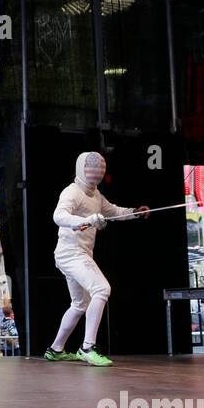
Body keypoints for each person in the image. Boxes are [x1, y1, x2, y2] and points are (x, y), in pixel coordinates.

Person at [44, 151, 149, 366]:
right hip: (71, 254)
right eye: (92, 167)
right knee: (101, 289)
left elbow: (112, 212)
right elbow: (59, 216)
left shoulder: (96, 195)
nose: (97, 172)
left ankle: (55, 349)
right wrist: (88, 220)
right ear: (81, 168)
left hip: (77, 254)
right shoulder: (71, 192)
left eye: (100, 168)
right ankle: (87, 347)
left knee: (79, 304)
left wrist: (134, 212)